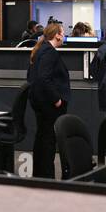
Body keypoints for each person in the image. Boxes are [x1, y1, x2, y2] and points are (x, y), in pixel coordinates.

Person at [27, 23, 69, 179]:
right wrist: (56, 99)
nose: (64, 36)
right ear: (57, 35)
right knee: (48, 142)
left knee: (42, 139)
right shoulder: (49, 53)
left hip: (40, 102)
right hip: (49, 105)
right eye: (62, 33)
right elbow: (44, 78)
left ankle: (40, 175)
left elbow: (32, 77)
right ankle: (46, 176)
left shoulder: (40, 50)